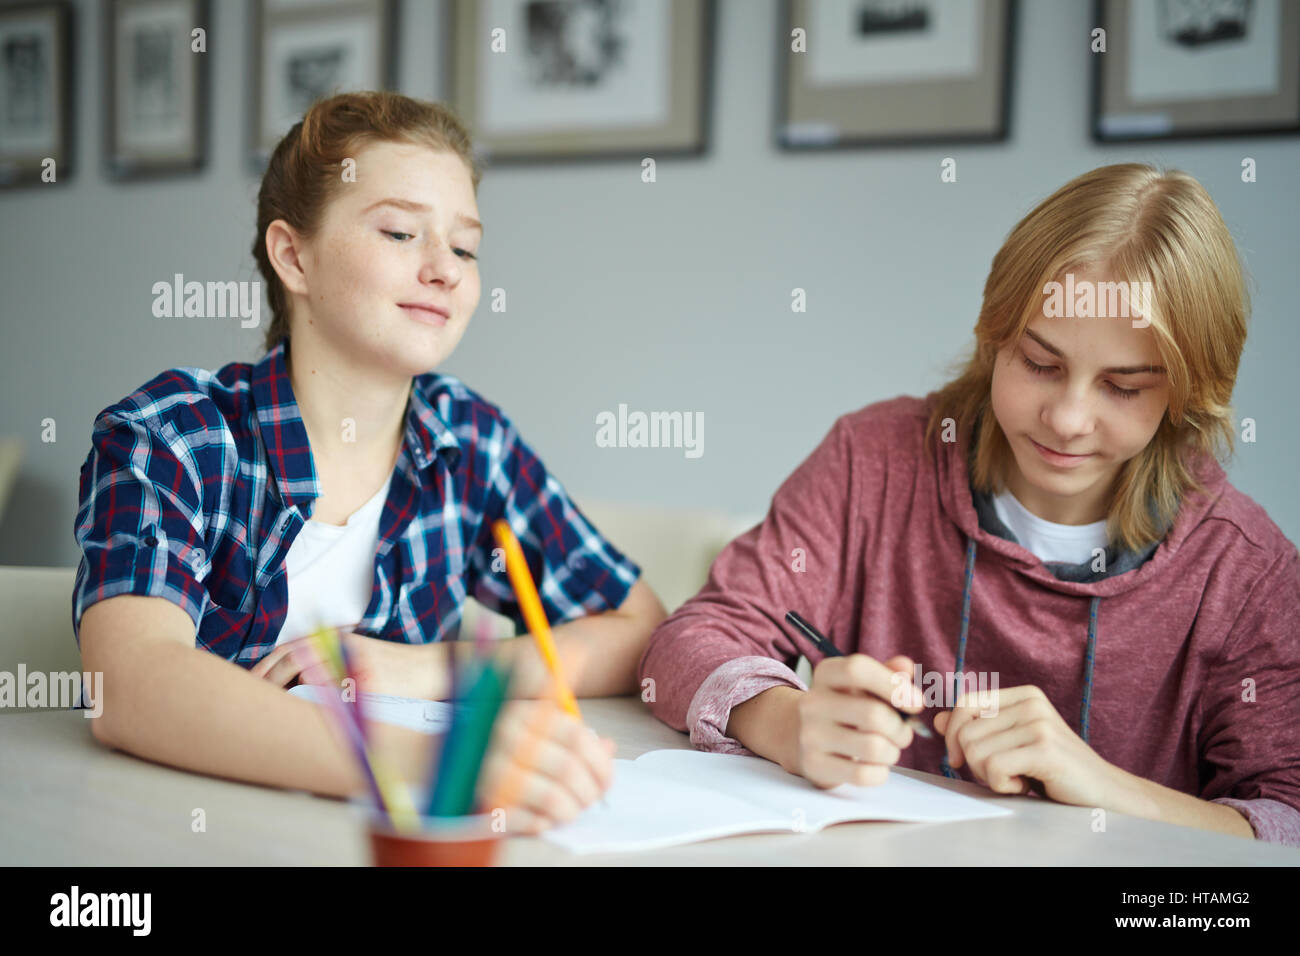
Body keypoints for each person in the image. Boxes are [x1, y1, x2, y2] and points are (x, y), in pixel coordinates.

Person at [638, 163, 1300, 845]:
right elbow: (684, 644)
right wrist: (787, 721)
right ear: (993, 339)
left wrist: (1106, 788)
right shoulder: (874, 462)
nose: (1068, 418)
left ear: (1188, 394)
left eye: (1124, 387)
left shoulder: (1246, 572)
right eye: (1040, 364)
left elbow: (1288, 816)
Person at [72, 91, 666, 834]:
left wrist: (423, 668)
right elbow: (126, 686)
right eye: (399, 232)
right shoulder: (173, 436)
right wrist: (438, 759)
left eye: (465, 246)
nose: (444, 269)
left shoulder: (470, 442)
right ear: (294, 255)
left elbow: (638, 626)